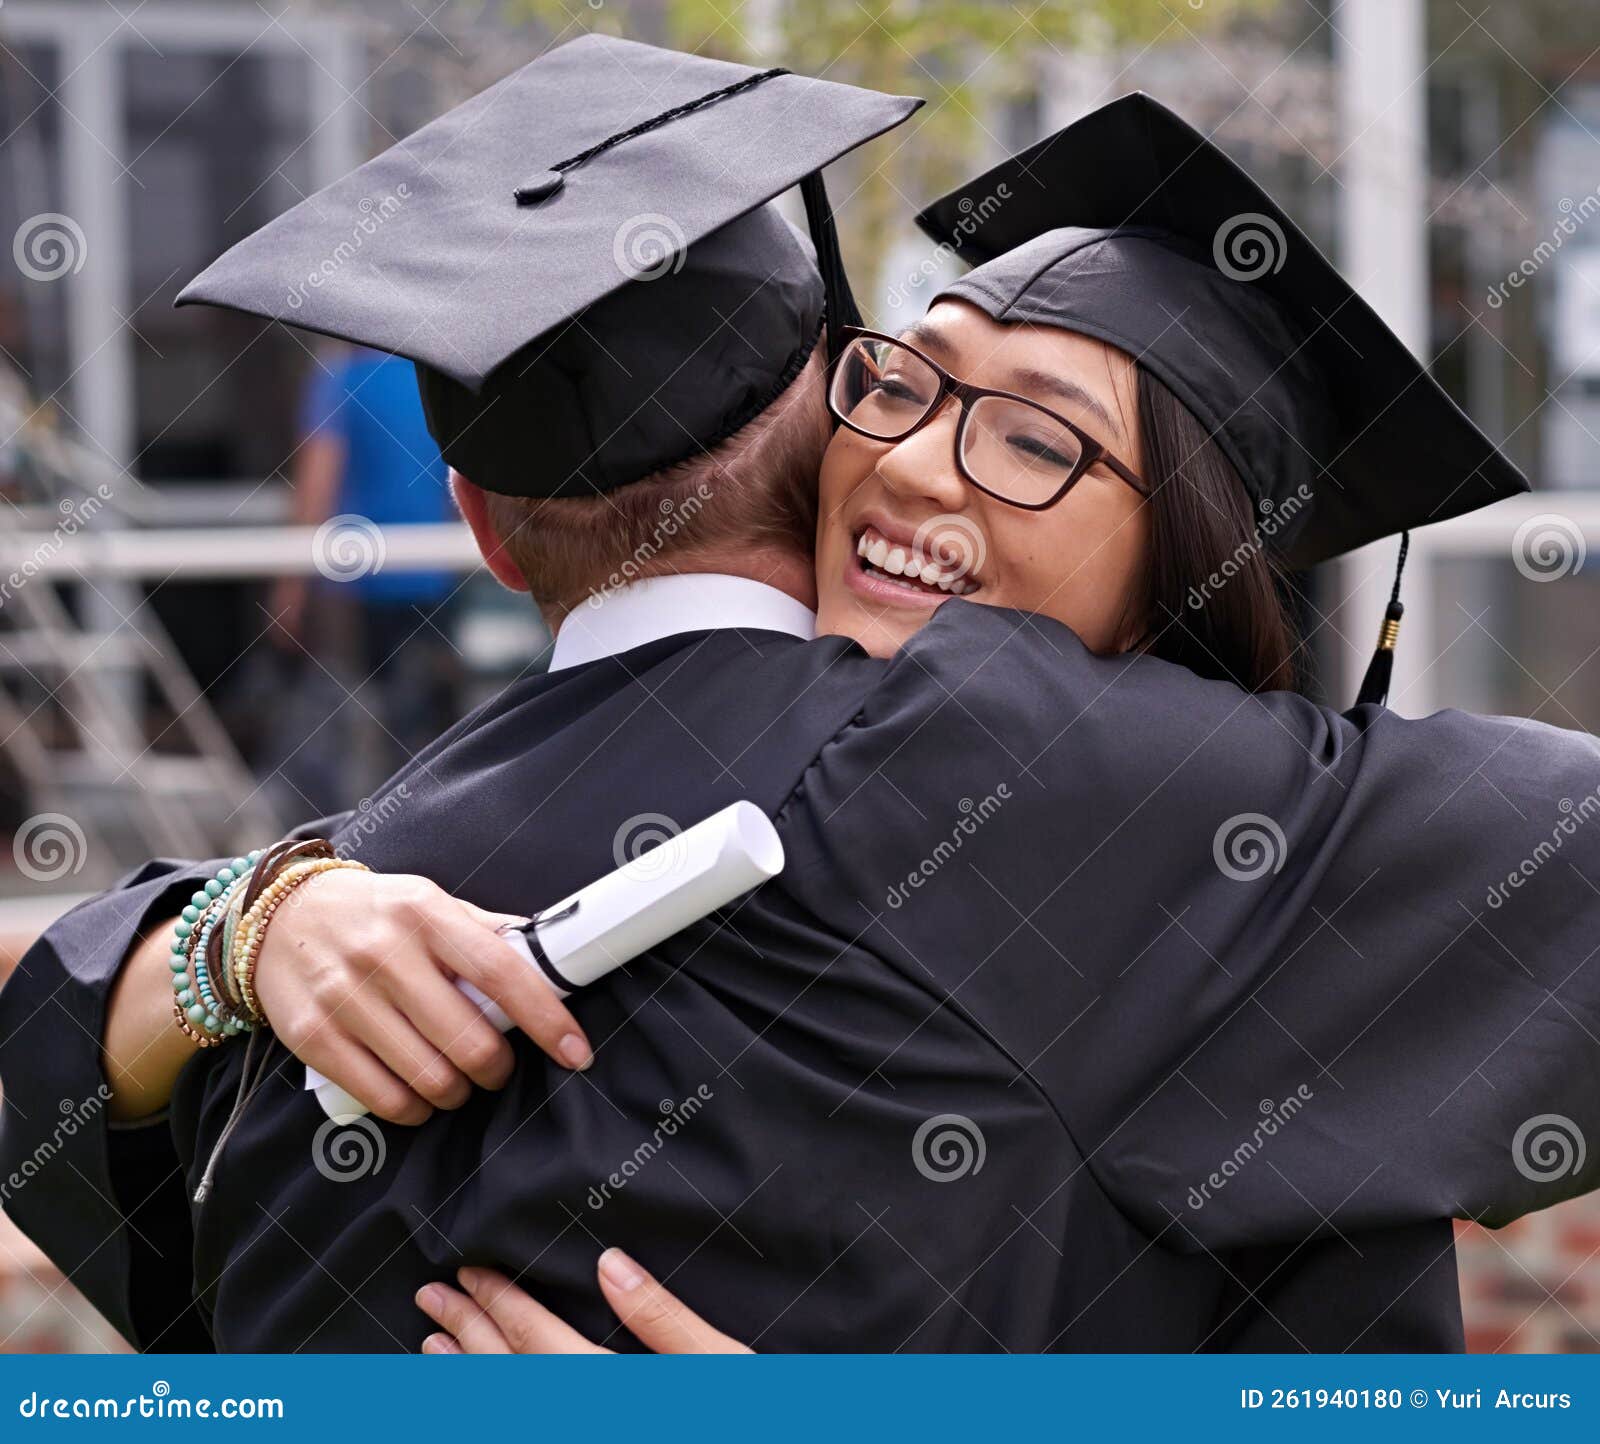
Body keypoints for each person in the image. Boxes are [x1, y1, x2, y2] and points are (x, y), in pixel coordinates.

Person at [3, 71, 1594, 1357]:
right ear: (823, 394)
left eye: (1038, 440)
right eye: (909, 380)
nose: (914, 463)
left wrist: (225, 932)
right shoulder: (1116, 826)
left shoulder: (326, 922)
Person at [262, 343, 463, 813]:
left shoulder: (337, 380)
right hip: (434, 579)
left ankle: (355, 841)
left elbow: (317, 485)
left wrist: (288, 589)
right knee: (422, 736)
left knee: (349, 731)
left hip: (356, 586)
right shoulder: (430, 377)